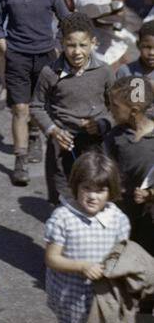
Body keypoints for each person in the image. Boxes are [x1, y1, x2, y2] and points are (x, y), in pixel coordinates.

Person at [0, 0, 70, 187]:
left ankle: (35, 134)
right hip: (18, 60)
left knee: (39, 107)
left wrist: (56, 47)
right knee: (20, 110)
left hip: (46, 59)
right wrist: (8, 51)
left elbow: (66, 21)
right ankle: (20, 159)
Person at [44, 149, 130, 323]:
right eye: (87, 188)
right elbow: (52, 258)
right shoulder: (63, 218)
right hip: (71, 297)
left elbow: (122, 255)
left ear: (111, 191)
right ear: (75, 186)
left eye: (100, 190)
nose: (92, 196)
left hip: (103, 298)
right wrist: (83, 266)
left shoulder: (118, 220)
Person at [31, 13, 114, 204]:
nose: (77, 52)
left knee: (94, 198)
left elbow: (116, 108)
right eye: (71, 45)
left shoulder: (104, 71)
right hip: (62, 144)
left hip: (95, 146)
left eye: (83, 45)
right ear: (61, 43)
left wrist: (103, 124)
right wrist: (53, 130)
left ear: (93, 43)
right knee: (63, 199)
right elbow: (36, 106)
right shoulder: (50, 72)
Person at [103, 76, 154, 255]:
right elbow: (106, 171)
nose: (110, 110)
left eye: (115, 106)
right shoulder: (115, 137)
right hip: (124, 213)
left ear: (133, 110)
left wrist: (150, 195)